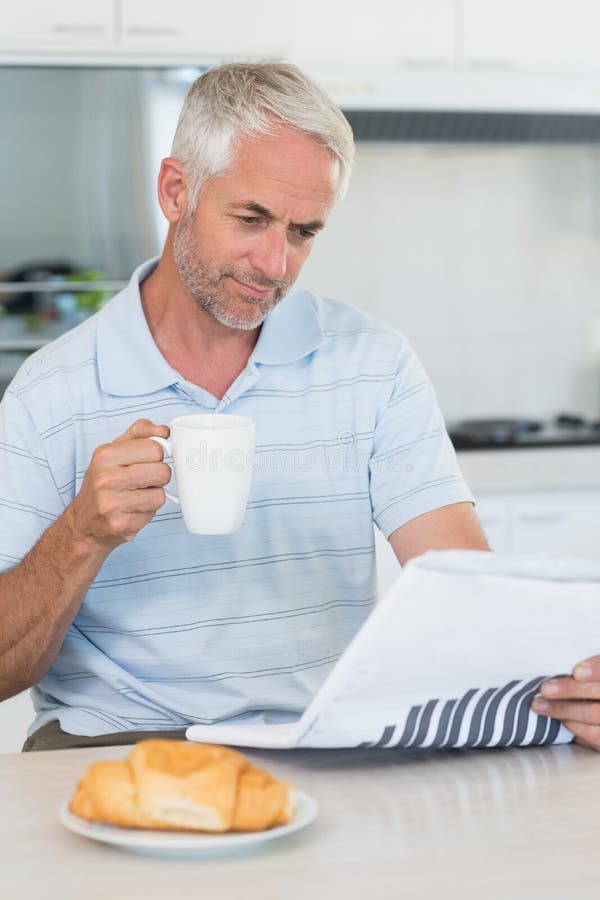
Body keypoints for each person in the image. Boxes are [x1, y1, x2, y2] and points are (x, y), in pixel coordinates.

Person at [0, 63, 597, 753]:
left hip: (322, 740)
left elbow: (463, 585)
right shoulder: (52, 392)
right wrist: (82, 533)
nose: (274, 263)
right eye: (250, 219)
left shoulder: (373, 362)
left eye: (304, 231)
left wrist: (572, 686)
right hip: (119, 744)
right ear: (175, 190)